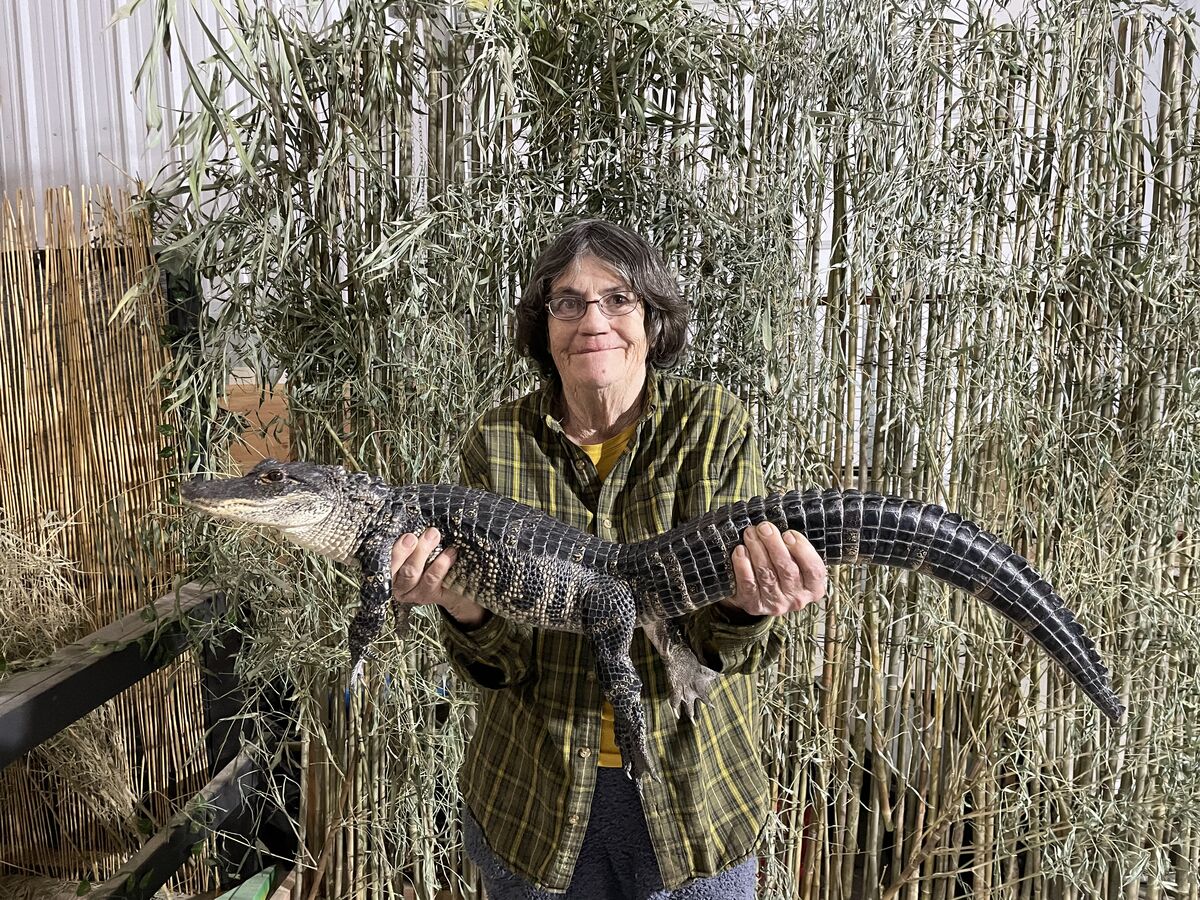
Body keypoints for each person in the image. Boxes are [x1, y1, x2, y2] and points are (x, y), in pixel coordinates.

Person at [389, 220, 827, 899]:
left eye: (618, 299)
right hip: (535, 797)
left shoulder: (713, 426)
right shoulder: (499, 440)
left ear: (652, 319)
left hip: (691, 796)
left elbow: (723, 653)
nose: (593, 319)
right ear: (544, 327)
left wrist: (752, 602)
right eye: (568, 302)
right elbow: (499, 665)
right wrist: (459, 602)